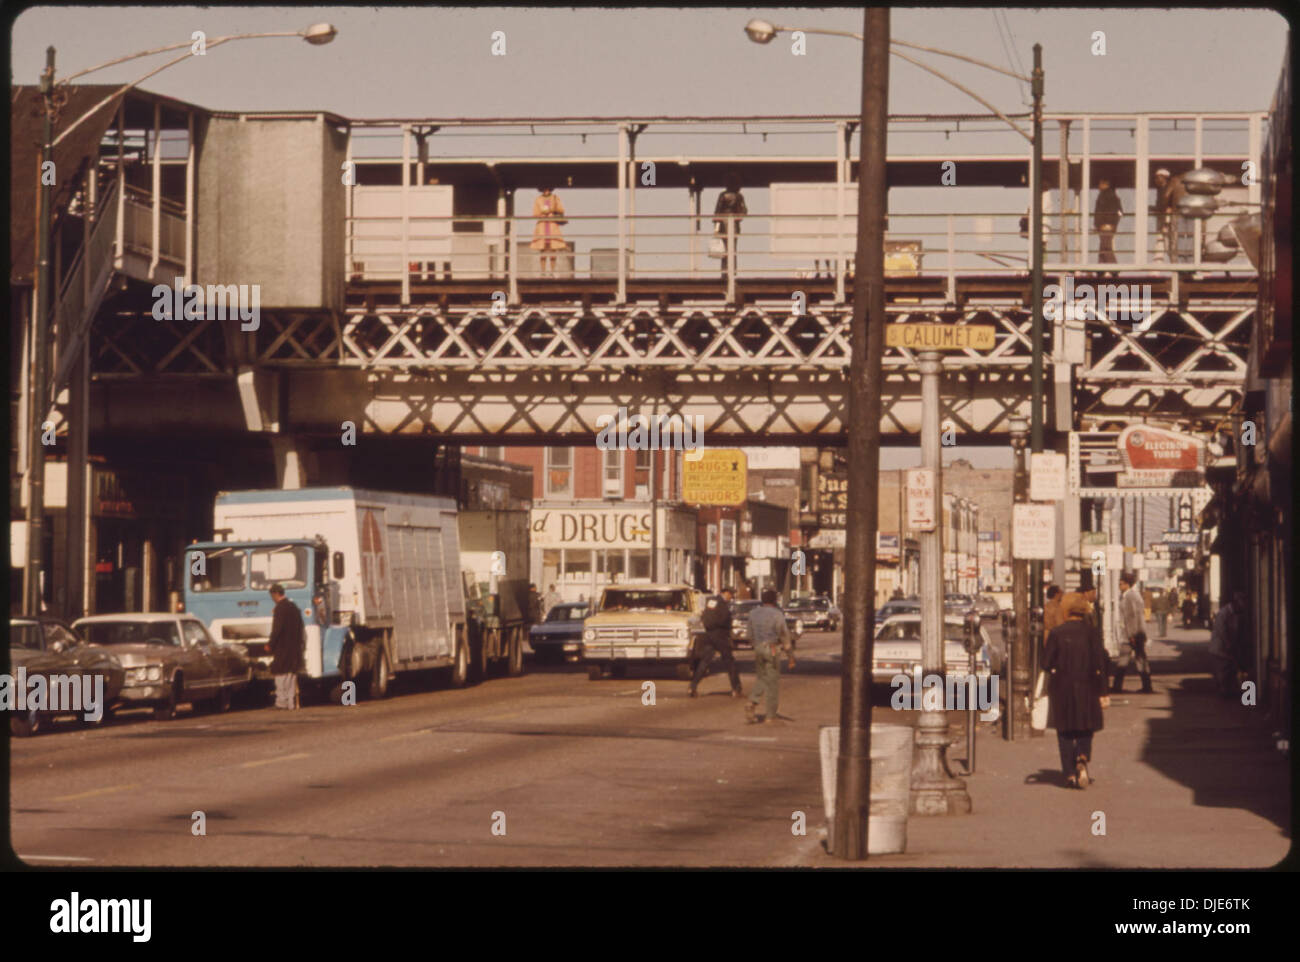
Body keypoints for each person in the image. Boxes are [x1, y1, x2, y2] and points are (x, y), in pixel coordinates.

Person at [1044, 593, 1111, 788]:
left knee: (1064, 731)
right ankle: (1082, 755)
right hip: (1088, 687)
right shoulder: (1092, 633)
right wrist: (1103, 691)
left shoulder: (1057, 633)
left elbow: (1046, 663)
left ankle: (1069, 774)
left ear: (1065, 610)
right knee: (1085, 726)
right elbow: (1101, 663)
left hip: (1061, 689)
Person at [745, 588, 795, 724]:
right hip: (772, 648)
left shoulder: (753, 613)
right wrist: (790, 656)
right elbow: (784, 635)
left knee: (762, 677)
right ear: (774, 600)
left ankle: (752, 700)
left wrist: (756, 645)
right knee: (772, 681)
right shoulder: (777, 614)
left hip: (758, 648)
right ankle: (770, 715)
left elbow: (749, 634)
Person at [690, 587, 742, 698]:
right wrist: (729, 627)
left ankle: (692, 686)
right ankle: (736, 688)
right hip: (720, 635)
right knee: (729, 661)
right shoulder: (722, 605)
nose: (731, 597)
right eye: (730, 594)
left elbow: (705, 616)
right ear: (725, 593)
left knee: (705, 661)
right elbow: (724, 620)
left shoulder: (711, 601)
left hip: (708, 635)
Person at [267, 583, 305, 710]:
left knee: (280, 674)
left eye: (272, 595)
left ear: (276, 594)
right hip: (295, 647)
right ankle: (291, 702)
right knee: (291, 675)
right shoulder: (294, 607)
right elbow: (301, 627)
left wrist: (270, 644)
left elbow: (277, 629)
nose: (272, 598)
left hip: (282, 647)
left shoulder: (280, 608)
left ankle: (281, 702)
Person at [1115, 572, 1153, 693]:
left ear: (1128, 584)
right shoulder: (1130, 595)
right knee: (1136, 659)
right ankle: (1146, 685)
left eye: (1121, 584)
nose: (1119, 586)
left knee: (1132, 659)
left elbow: (1131, 617)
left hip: (1132, 634)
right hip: (1136, 633)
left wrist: (1132, 635)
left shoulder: (1130, 596)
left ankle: (1119, 686)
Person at [1209, 589, 1247, 698]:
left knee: (1230, 671)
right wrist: (1229, 644)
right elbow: (1222, 631)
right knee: (1222, 672)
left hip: (1228, 648)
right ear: (1236, 602)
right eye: (1241, 603)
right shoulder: (1223, 613)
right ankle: (1223, 693)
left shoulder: (1236, 614)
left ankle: (1227, 692)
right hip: (1219, 648)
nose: (1243, 606)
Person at [712, 174, 748, 286]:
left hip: (723, 224)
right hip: (734, 225)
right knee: (733, 249)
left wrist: (716, 227)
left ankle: (724, 273)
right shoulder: (739, 196)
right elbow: (744, 211)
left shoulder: (723, 195)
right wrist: (737, 218)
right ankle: (732, 272)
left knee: (724, 250)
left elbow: (717, 212)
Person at [1154, 168, 1192, 264]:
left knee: (1173, 242)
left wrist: (1163, 207)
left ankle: (1176, 265)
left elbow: (1166, 197)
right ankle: (1186, 265)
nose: (1156, 180)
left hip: (1175, 215)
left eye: (1159, 177)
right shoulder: (1193, 182)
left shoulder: (1174, 182)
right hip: (1191, 214)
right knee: (1187, 240)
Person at [531, 185, 567, 276]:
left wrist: (552, 209)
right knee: (542, 250)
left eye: (547, 189)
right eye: (544, 189)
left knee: (553, 250)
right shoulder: (538, 199)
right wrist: (543, 212)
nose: (546, 190)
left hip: (552, 225)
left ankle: (552, 271)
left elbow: (561, 209)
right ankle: (543, 271)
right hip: (542, 226)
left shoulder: (555, 198)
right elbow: (535, 213)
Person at [1094, 177, 1123, 265]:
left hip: (1106, 226)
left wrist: (1107, 223)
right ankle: (1100, 270)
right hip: (1105, 226)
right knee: (1103, 247)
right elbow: (1120, 212)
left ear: (1105, 184)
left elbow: (1114, 211)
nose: (1099, 186)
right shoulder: (1112, 195)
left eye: (1100, 183)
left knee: (1106, 247)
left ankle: (1114, 270)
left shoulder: (1107, 195)